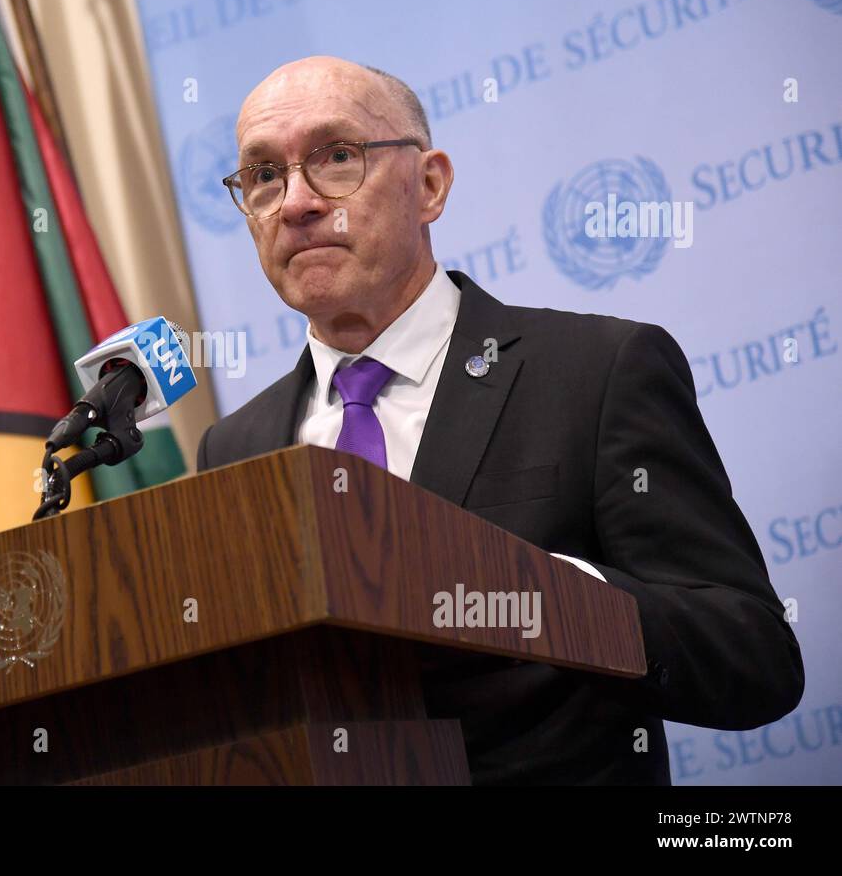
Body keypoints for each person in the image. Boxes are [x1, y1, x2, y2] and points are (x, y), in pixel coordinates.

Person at [197, 55, 804, 784]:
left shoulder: (596, 371)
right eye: (264, 174)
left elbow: (753, 655)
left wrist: (557, 598)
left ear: (429, 185)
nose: (295, 202)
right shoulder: (233, 448)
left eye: (337, 156)